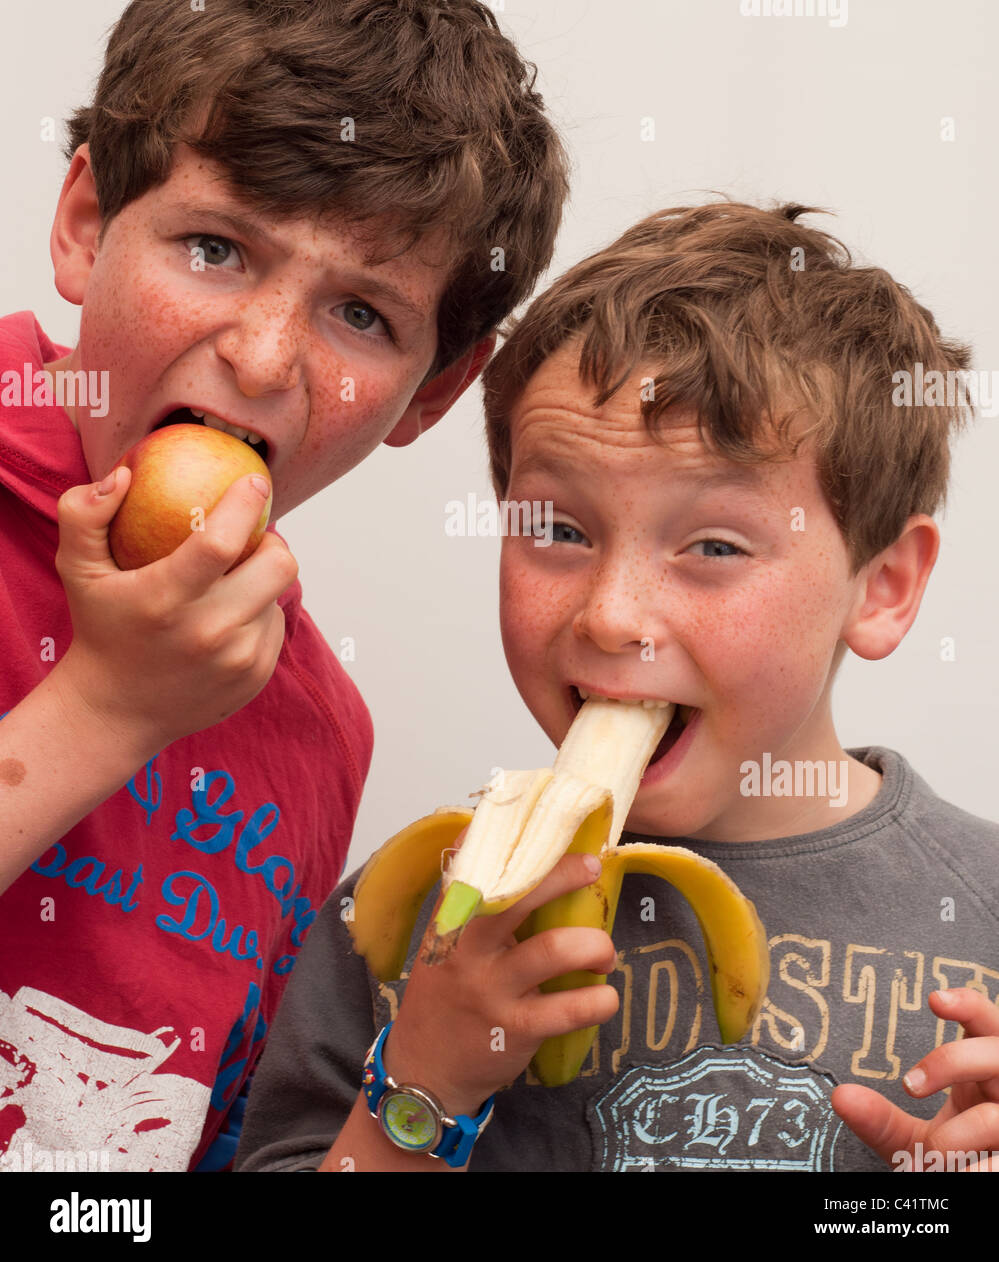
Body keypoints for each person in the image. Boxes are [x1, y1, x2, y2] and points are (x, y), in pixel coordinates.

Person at [234, 201, 999, 1174]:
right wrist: (422, 1087)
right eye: (559, 531)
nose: (609, 615)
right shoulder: (410, 912)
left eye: (713, 545)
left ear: (882, 587)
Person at [0, 0, 569, 1172]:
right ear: (88, 222)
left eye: (361, 314)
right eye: (215, 248)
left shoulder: (318, 728)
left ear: (433, 392)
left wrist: (421, 1085)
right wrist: (105, 707)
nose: (262, 358)